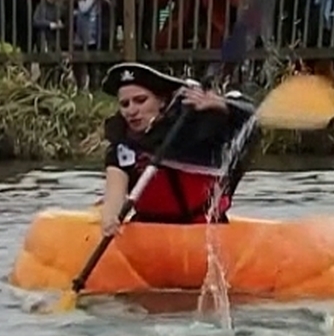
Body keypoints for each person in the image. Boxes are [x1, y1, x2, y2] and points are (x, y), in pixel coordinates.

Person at [99, 62, 258, 235]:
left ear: (161, 102)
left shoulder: (195, 129)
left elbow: (253, 116)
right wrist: (110, 218)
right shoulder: (122, 146)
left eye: (140, 100)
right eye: (125, 104)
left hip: (204, 231)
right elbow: (115, 191)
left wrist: (222, 104)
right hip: (149, 234)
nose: (132, 110)